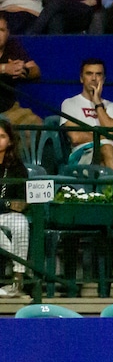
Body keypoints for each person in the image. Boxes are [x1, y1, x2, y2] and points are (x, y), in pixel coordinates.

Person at [60, 58, 113, 173]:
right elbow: (75, 137)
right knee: (107, 148)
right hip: (84, 154)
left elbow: (111, 131)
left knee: (108, 155)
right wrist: (106, 136)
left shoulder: (112, 106)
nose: (94, 78)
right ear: (81, 78)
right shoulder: (69, 104)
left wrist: (98, 103)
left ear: (103, 79)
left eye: (98, 74)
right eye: (89, 74)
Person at [0, 117, 28, 298]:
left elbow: (23, 197)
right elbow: (11, 201)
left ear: (9, 141)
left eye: (2, 136)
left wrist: (22, 203)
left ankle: (18, 280)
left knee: (21, 223)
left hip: (7, 215)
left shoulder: (17, 167)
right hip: (4, 209)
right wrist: (9, 203)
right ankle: (16, 261)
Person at [0, 15, 42, 134]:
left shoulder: (12, 46)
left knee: (36, 125)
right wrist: (4, 68)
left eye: (1, 30)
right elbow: (6, 68)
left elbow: (36, 70)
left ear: (7, 33)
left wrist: (23, 70)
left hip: (9, 109)